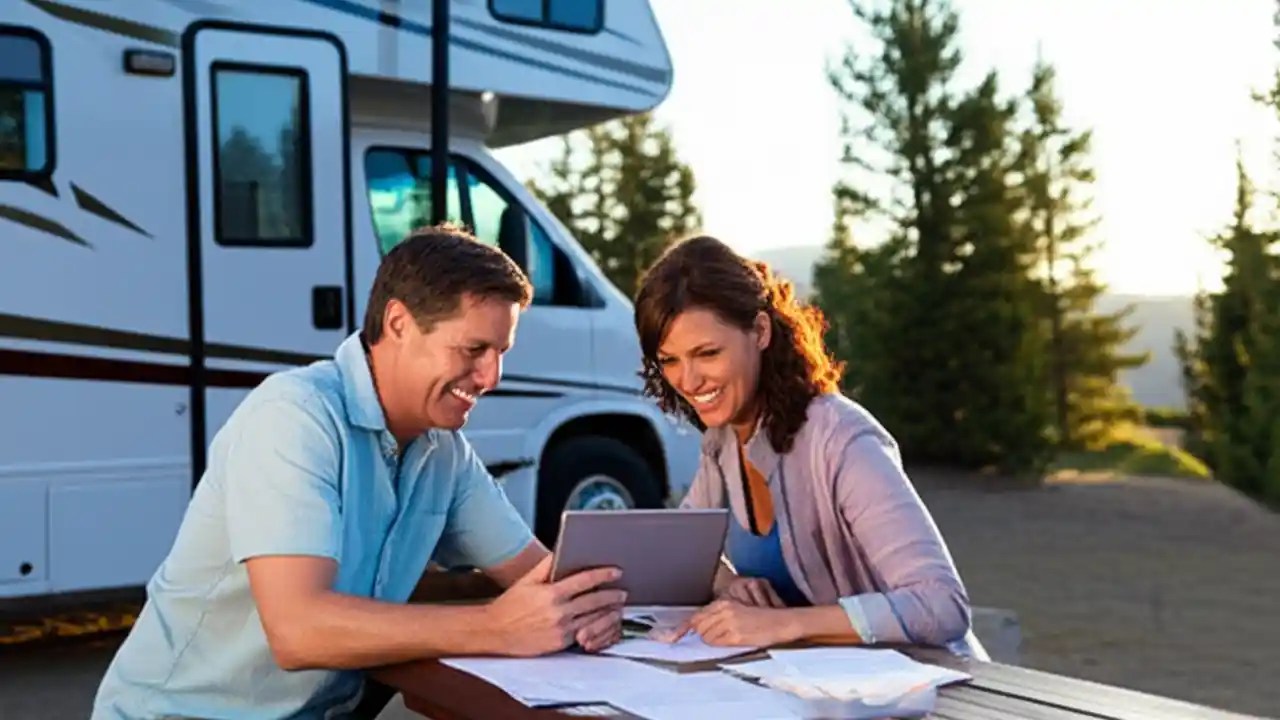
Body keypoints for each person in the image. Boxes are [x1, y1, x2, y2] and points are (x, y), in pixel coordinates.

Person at [91, 224, 627, 720]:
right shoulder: (294, 416)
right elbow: (298, 631)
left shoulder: (443, 451)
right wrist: (495, 627)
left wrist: (591, 605)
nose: (491, 376)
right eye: (474, 349)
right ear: (398, 324)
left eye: (501, 352)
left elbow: (539, 577)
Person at [632, 235, 985, 659]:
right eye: (670, 360)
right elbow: (681, 549)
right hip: (822, 683)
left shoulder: (839, 437)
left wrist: (782, 625)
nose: (688, 381)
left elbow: (940, 605)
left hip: (932, 683)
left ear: (760, 331)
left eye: (707, 353)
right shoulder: (722, 444)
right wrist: (731, 585)